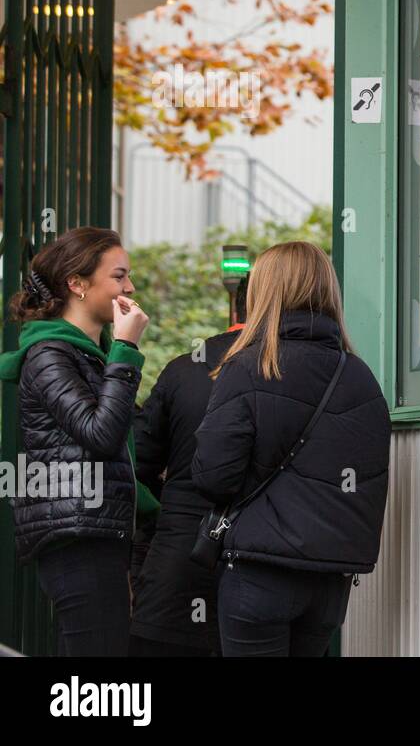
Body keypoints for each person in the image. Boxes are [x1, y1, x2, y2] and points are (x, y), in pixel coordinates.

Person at [192, 241, 391, 657]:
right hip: (329, 584)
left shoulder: (250, 367)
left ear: (264, 292)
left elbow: (213, 477)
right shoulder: (360, 378)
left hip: (257, 573)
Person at [0, 227, 150, 656]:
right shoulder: (50, 354)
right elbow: (101, 435)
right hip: (77, 538)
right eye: (119, 276)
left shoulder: (86, 354)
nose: (130, 288)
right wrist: (125, 347)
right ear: (78, 284)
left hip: (93, 531)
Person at [129, 276, 250, 657]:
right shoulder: (296, 374)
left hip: (179, 565)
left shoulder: (184, 369)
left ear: (236, 307)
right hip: (263, 574)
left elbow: (138, 462)